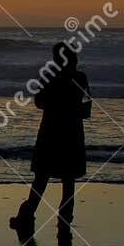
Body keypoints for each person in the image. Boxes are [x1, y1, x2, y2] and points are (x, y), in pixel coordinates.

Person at [9, 41, 92, 234]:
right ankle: (65, 221)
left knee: (41, 178)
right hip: (72, 132)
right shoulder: (80, 77)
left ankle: (26, 216)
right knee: (69, 181)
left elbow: (39, 103)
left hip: (51, 130)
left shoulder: (48, 76)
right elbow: (86, 104)